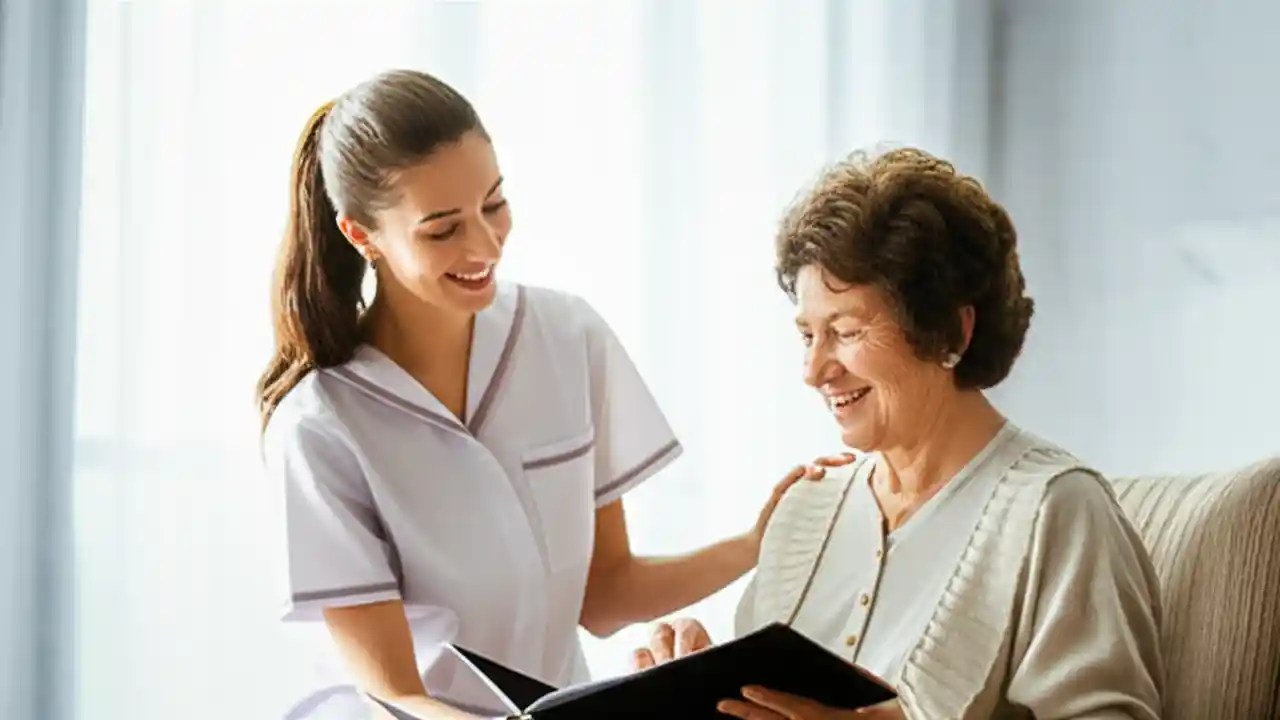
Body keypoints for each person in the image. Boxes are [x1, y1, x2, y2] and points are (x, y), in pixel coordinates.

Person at [256, 69, 833, 720]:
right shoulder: (320, 425)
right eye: (442, 229)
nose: (484, 244)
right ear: (362, 235)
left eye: (494, 204)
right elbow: (393, 691)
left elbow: (605, 594)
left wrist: (758, 543)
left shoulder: (566, 338)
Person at [634, 147, 1165, 719]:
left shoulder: (1057, 509)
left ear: (949, 331)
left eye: (847, 331)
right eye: (808, 335)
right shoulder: (805, 510)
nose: (814, 372)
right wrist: (697, 686)